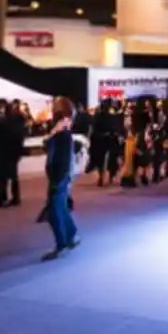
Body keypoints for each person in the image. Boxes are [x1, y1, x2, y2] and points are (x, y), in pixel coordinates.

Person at [41, 97, 81, 260]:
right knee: (59, 207)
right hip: (59, 175)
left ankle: (62, 242)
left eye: (55, 106)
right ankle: (70, 236)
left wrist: (60, 177)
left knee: (54, 210)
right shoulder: (61, 128)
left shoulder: (62, 130)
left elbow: (62, 156)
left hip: (59, 175)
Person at [0, 100, 25, 206]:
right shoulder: (17, 121)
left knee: (2, 177)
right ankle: (14, 197)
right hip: (11, 153)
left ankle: (3, 198)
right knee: (12, 176)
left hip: (1, 153)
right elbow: (19, 137)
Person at [89, 99, 122, 187]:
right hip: (109, 139)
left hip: (100, 140)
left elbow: (94, 129)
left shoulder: (97, 116)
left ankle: (101, 176)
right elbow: (116, 129)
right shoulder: (112, 116)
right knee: (112, 158)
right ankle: (110, 176)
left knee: (101, 159)